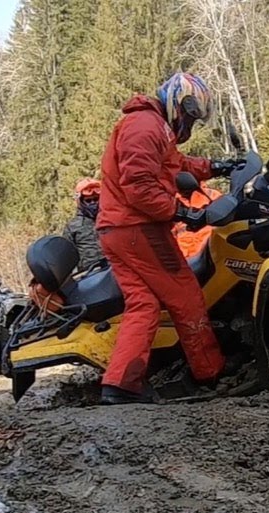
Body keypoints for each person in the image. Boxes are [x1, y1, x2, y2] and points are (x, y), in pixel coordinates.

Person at [95, 71, 240, 405]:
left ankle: (119, 385)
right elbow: (139, 186)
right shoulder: (145, 126)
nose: (189, 123)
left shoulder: (152, 126)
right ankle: (210, 371)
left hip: (118, 228)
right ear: (178, 103)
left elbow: (176, 165)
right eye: (190, 115)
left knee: (143, 304)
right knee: (186, 294)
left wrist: (217, 167)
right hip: (138, 228)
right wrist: (182, 212)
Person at [65, 178, 104, 273]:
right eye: (88, 200)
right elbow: (65, 258)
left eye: (96, 199)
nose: (93, 203)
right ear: (80, 201)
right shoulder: (73, 227)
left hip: (116, 271)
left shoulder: (112, 219)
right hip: (90, 276)